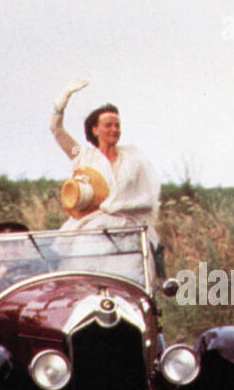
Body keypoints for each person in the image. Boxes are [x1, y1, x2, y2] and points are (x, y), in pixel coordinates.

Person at [49, 80, 166, 276]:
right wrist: (61, 102)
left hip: (128, 230)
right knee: (83, 276)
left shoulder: (133, 158)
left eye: (117, 125)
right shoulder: (84, 156)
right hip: (92, 231)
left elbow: (147, 192)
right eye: (108, 125)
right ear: (95, 130)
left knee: (136, 275)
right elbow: (57, 130)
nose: (114, 130)